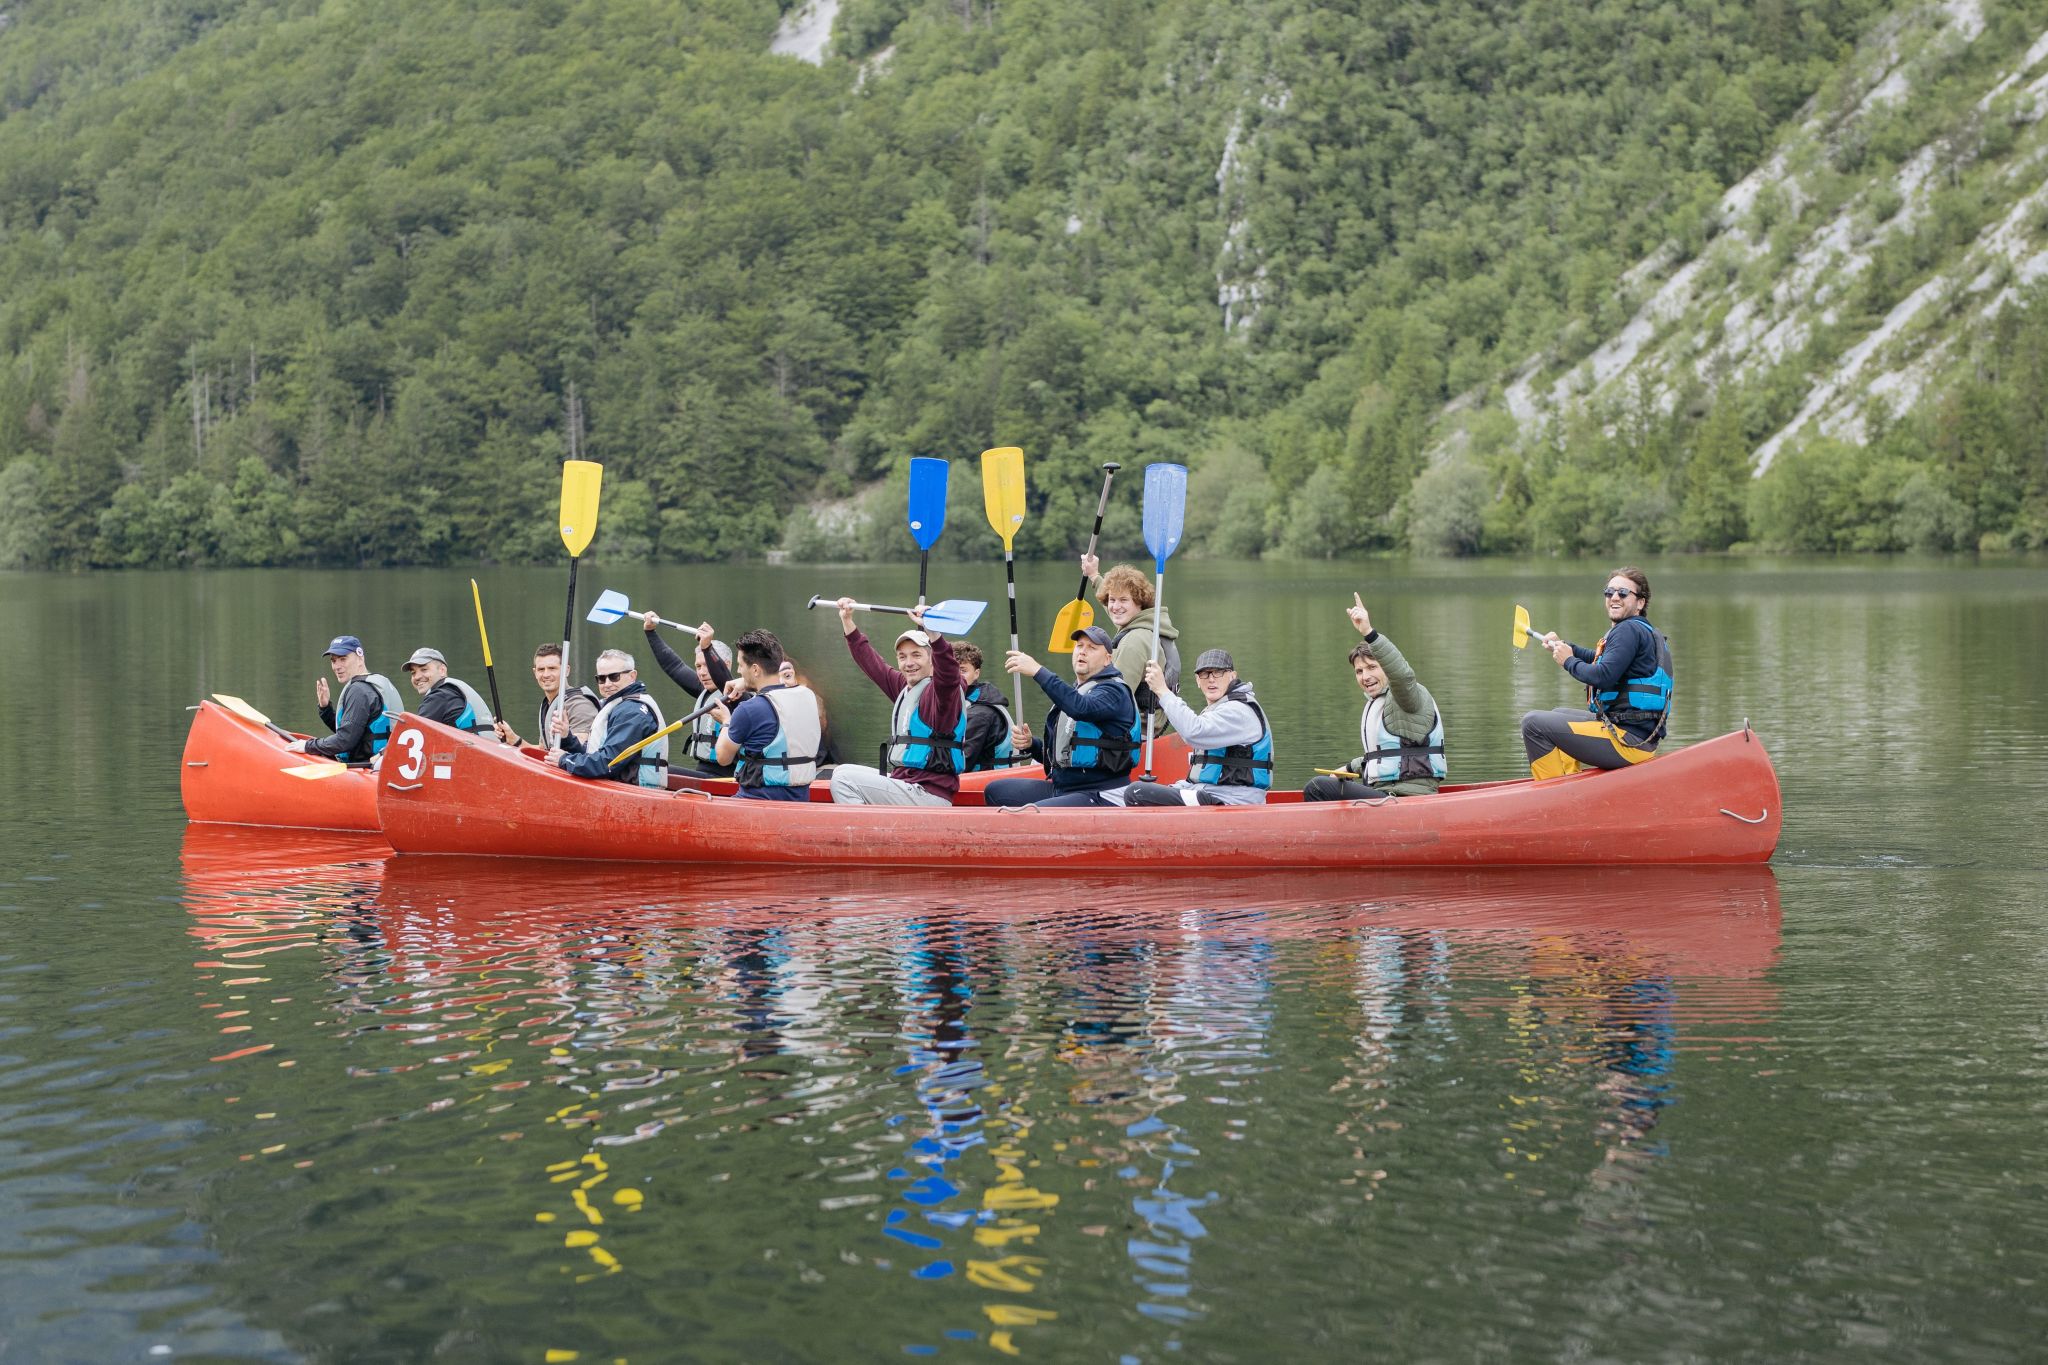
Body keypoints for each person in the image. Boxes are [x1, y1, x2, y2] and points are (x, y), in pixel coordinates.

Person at [1521, 567, 1674, 780]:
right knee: (1557, 714)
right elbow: (1601, 659)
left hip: (1628, 742)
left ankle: (1552, 796)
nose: (1614, 597)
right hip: (1638, 738)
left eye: (1623, 593)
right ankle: (1569, 782)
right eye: (1609, 592)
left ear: (1640, 602)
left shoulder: (1627, 630)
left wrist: (1568, 661)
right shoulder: (1639, 630)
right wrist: (1565, 647)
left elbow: (1602, 675)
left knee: (1533, 723)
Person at [1303, 594, 1446, 801]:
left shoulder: (1408, 696)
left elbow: (1402, 674)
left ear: (1386, 669)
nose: (1365, 676)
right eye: (1359, 671)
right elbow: (1387, 754)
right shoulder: (1381, 702)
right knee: (1328, 783)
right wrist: (1347, 768)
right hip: (1386, 793)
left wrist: (1369, 632)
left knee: (1317, 788)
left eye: (1372, 668)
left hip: (1405, 796)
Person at [827, 598, 966, 806]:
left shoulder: (943, 695)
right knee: (842, 770)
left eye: (916, 655)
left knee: (843, 780)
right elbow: (872, 665)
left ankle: (866, 835)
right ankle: (876, 829)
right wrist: (847, 620)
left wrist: (934, 634)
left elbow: (949, 675)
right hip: (908, 785)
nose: (908, 663)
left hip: (928, 795)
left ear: (931, 660)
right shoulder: (906, 687)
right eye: (902, 657)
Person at [984, 625, 1141, 807]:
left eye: (1091, 648)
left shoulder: (1114, 691)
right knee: (995, 791)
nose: (1083, 652)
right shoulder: (1077, 691)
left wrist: (1038, 671)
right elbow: (1062, 756)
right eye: (1079, 646)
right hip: (1064, 788)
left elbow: (1082, 708)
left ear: (1108, 659)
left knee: (1033, 813)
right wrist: (1032, 745)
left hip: (1101, 793)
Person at [1117, 648, 1273, 806]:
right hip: (1210, 792)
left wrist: (1162, 691)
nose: (1211, 679)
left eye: (1218, 672)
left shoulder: (1238, 710)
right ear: (1197, 681)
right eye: (1204, 674)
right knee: (1140, 791)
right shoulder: (1219, 708)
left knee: (1136, 792)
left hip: (1232, 801)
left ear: (1232, 676)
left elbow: (1193, 732)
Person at [709, 629, 822, 800]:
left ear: (755, 669)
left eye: (740, 665)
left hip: (756, 801)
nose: (738, 671)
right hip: (799, 798)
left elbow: (723, 758)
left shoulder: (749, 709)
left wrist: (726, 721)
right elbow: (783, 690)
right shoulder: (808, 695)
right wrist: (748, 684)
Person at [1080, 553, 1181, 716]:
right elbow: (1114, 608)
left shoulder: (1134, 642)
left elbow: (1114, 701)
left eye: (1123, 600)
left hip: (1137, 729)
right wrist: (1094, 575)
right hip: (1153, 720)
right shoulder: (1148, 622)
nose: (1115, 606)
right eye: (1112, 600)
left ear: (1139, 602)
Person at [555, 648, 668, 787]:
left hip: (635, 794)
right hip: (619, 787)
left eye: (614, 677)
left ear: (632, 676)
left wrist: (564, 759)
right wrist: (567, 738)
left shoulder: (631, 712)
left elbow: (607, 763)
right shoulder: (618, 706)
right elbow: (595, 754)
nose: (607, 684)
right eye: (601, 679)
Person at [641, 614, 736, 776]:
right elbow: (674, 666)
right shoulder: (704, 691)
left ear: (725, 665)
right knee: (653, 768)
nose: (702, 672)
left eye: (706, 665)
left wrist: (707, 647)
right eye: (698, 666)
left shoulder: (738, 696)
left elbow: (723, 678)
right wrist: (651, 633)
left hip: (727, 777)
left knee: (658, 771)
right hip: (704, 772)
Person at [289, 635, 405, 763]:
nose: (336, 666)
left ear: (360, 658)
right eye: (333, 661)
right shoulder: (374, 684)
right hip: (384, 764)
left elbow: (345, 740)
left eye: (343, 659)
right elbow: (355, 731)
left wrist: (307, 746)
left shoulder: (359, 691)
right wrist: (325, 708)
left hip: (366, 768)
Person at [492, 643, 598, 752]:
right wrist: (514, 739)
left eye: (552, 668)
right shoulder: (548, 704)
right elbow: (543, 752)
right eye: (541, 669)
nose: (546, 674)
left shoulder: (580, 705)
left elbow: (581, 752)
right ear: (535, 673)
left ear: (566, 670)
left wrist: (566, 736)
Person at [401, 647, 495, 734]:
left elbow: (415, 734)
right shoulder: (454, 690)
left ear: (442, 670)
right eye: (413, 673)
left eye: (424, 669)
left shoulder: (439, 696)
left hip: (471, 750)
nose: (417, 677)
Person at [952, 641, 1015, 771]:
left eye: (963, 670)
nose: (956, 676)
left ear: (976, 673)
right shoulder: (966, 702)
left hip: (989, 781)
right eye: (952, 670)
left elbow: (963, 763)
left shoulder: (980, 713)